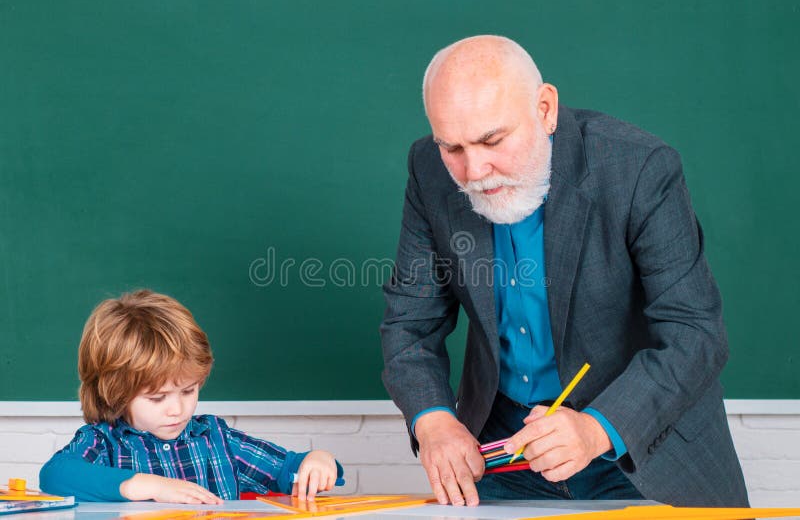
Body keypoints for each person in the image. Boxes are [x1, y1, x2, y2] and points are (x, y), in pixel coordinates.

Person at [380, 35, 748, 507]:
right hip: (503, 452)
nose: (474, 171)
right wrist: (433, 421)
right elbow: (410, 321)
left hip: (639, 445)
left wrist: (596, 429)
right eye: (452, 147)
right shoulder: (428, 169)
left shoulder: (640, 169)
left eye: (492, 140)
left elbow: (695, 332)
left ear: (545, 109)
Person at [40, 289, 343, 503]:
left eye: (188, 390)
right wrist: (147, 486)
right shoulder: (104, 442)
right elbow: (54, 476)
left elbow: (288, 469)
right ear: (116, 393)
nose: (177, 409)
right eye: (157, 398)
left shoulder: (215, 438)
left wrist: (318, 461)